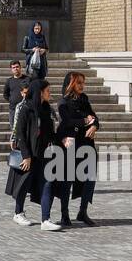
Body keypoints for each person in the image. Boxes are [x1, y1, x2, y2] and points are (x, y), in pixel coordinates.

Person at [58, 71, 98, 226]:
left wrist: (94, 125)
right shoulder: (63, 102)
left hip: (87, 143)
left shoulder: (84, 99)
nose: (82, 85)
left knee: (90, 179)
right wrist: (84, 120)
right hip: (70, 143)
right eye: (79, 82)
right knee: (67, 180)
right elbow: (67, 122)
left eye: (83, 82)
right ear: (71, 83)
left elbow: (94, 117)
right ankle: (64, 214)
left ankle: (83, 212)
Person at [34, 80, 72, 230]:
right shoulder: (30, 108)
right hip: (36, 153)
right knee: (30, 186)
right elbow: (23, 133)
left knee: (48, 183)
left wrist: (61, 139)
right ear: (40, 92)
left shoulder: (46, 108)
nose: (50, 93)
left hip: (48, 152)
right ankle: (20, 212)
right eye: (48, 90)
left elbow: (50, 133)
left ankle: (46, 219)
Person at [3, 75, 35, 224]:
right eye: (24, 92)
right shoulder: (21, 107)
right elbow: (17, 125)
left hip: (36, 147)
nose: (25, 94)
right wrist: (13, 138)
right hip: (24, 147)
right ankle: (18, 211)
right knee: (22, 179)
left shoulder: (39, 105)